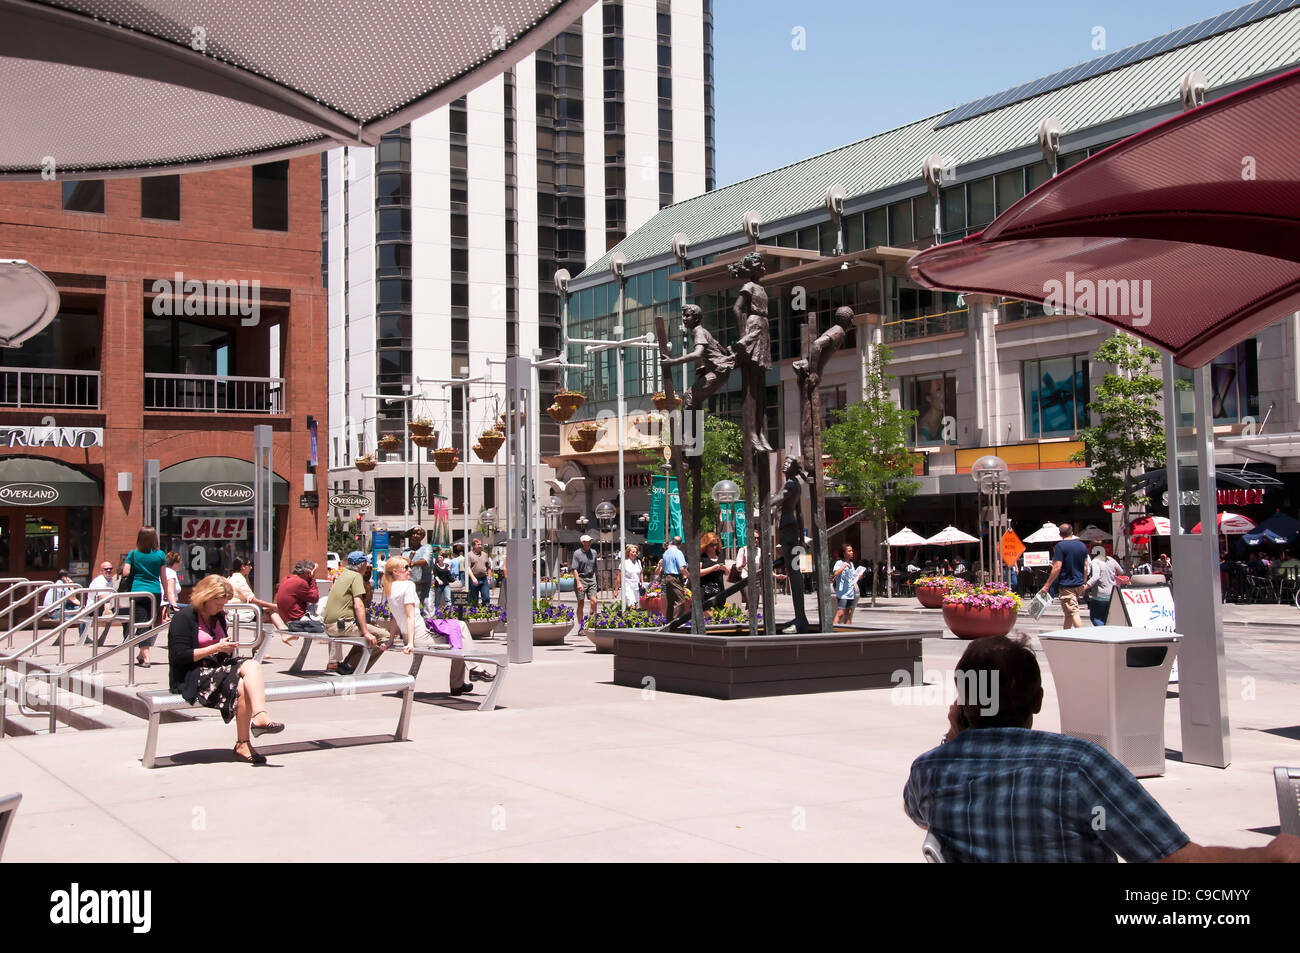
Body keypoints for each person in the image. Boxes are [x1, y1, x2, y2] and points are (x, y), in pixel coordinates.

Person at [904, 634, 1300, 863]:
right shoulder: (1077, 765)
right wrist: (1268, 854)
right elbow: (1175, 860)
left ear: (961, 702)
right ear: (1038, 699)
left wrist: (955, 739)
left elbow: (919, 813)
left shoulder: (929, 771)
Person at [168, 574, 284, 765]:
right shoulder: (184, 618)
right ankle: (243, 743)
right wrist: (215, 648)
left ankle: (260, 717)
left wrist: (224, 649)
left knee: (252, 665)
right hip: (194, 673)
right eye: (219, 604)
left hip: (217, 667)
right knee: (242, 685)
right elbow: (179, 656)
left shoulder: (218, 616)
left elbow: (221, 649)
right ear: (205, 598)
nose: (222, 608)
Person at [381, 555, 475, 696]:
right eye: (406, 567)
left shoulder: (389, 588)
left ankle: (464, 678)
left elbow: (395, 617)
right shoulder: (408, 585)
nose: (410, 570)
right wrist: (411, 643)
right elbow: (409, 616)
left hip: (411, 636)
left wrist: (391, 639)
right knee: (459, 635)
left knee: (457, 628)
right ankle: (470, 672)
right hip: (419, 636)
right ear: (395, 571)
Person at [320, 551, 379, 674]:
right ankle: (354, 669)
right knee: (383, 636)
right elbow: (359, 605)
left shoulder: (343, 574)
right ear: (362, 564)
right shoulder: (356, 576)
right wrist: (366, 631)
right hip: (340, 626)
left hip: (329, 625)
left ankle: (348, 664)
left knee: (369, 635)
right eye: (366, 563)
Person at [122, 526, 167, 668]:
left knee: (142, 622)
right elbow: (164, 577)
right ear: (154, 538)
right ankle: (145, 654)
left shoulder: (133, 554)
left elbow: (125, 572)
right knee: (149, 623)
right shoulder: (160, 555)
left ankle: (144, 654)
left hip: (137, 592)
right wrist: (166, 593)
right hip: (155, 592)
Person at [227, 558, 290, 646]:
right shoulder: (239, 579)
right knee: (270, 613)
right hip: (239, 614)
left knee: (266, 617)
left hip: (236, 612)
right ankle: (283, 633)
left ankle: (258, 648)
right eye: (249, 565)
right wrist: (272, 606)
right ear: (243, 567)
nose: (251, 567)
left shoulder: (234, 577)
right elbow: (252, 599)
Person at [1037, 523, 1090, 629]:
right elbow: (1086, 566)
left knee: (1073, 612)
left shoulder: (1060, 546)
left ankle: (1083, 636)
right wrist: (1084, 582)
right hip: (1079, 583)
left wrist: (1047, 585)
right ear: (1072, 532)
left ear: (1060, 534)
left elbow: (1057, 567)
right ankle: (1065, 634)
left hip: (1067, 584)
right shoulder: (1082, 546)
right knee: (1069, 613)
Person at [275, 559, 322, 635]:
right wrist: (312, 578)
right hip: (297, 621)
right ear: (307, 572)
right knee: (325, 601)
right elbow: (315, 598)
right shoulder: (300, 582)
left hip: (288, 619)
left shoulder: (286, 579)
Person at [42, 569, 87, 643]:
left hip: (53, 611)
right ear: (64, 578)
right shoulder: (62, 585)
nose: (70, 579)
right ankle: (83, 638)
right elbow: (73, 598)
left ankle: (83, 637)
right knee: (82, 613)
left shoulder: (57, 584)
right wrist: (72, 585)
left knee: (77, 608)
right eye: (69, 577)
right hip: (56, 612)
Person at [1085, 546, 1122, 626]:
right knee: (1107, 617)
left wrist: (1085, 586)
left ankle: (1103, 634)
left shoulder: (1095, 561)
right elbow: (1121, 571)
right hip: (1112, 594)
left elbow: (1096, 576)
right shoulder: (1111, 559)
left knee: (1096, 618)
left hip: (1099, 595)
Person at [86, 560, 116, 645]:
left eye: (110, 568)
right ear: (101, 571)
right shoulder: (99, 581)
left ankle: (128, 637)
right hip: (93, 609)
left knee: (125, 610)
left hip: (103, 606)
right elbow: (103, 597)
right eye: (106, 569)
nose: (109, 570)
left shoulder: (110, 580)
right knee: (120, 610)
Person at [571, 534, 599, 628]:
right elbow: (574, 569)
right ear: (582, 543)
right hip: (581, 578)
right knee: (581, 603)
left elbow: (595, 567)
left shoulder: (594, 552)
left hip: (591, 578)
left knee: (594, 601)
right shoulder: (577, 553)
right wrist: (578, 582)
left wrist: (595, 580)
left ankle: (591, 623)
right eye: (587, 541)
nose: (589, 543)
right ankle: (581, 626)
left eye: (590, 541)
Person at [658, 536, 687, 620]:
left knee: (671, 602)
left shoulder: (666, 552)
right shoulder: (678, 552)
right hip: (675, 578)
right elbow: (682, 568)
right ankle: (676, 623)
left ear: (672, 542)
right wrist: (689, 576)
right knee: (680, 600)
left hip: (667, 577)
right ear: (680, 544)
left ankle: (669, 623)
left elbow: (663, 568)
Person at [407, 526, 434, 611]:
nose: (415, 535)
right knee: (412, 611)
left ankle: (429, 624)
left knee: (429, 609)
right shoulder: (405, 552)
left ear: (422, 537)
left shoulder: (427, 547)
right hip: (411, 585)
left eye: (418, 534)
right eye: (413, 533)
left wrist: (412, 563)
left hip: (426, 585)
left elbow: (425, 561)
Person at [833, 545, 860, 625]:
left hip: (851, 592)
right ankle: (832, 632)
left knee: (848, 614)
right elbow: (835, 573)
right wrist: (843, 566)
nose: (851, 553)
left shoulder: (851, 564)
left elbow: (853, 578)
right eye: (849, 551)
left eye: (852, 551)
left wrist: (859, 576)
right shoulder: (839, 563)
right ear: (844, 553)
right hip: (842, 593)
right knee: (840, 613)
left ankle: (848, 632)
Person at [698, 532, 726, 607]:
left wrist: (725, 568)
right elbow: (698, 572)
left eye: (716, 544)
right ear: (706, 545)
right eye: (711, 545)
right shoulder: (702, 556)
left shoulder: (720, 555)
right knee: (707, 614)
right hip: (705, 591)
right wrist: (712, 569)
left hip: (719, 590)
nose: (714, 547)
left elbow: (727, 573)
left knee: (719, 614)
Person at [465, 537, 493, 607]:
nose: (480, 546)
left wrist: (489, 578)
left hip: (484, 579)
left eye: (481, 544)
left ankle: (485, 611)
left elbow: (489, 567)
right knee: (474, 598)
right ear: (473, 546)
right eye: (478, 544)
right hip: (474, 579)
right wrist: (473, 578)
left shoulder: (485, 554)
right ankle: (475, 612)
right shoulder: (469, 555)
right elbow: (468, 568)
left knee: (486, 597)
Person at [620, 544, 643, 609]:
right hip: (628, 587)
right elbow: (619, 575)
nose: (635, 553)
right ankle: (630, 617)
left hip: (636, 587)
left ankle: (632, 618)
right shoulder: (624, 562)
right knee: (632, 604)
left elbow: (641, 573)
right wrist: (616, 590)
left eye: (636, 552)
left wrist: (642, 583)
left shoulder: (638, 562)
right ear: (628, 553)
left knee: (636, 605)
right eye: (633, 552)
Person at [162, 551, 182, 621]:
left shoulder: (164, 571)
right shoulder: (171, 573)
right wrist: (175, 606)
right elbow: (170, 591)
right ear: (175, 563)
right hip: (167, 606)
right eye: (180, 562)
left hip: (165, 605)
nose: (181, 564)